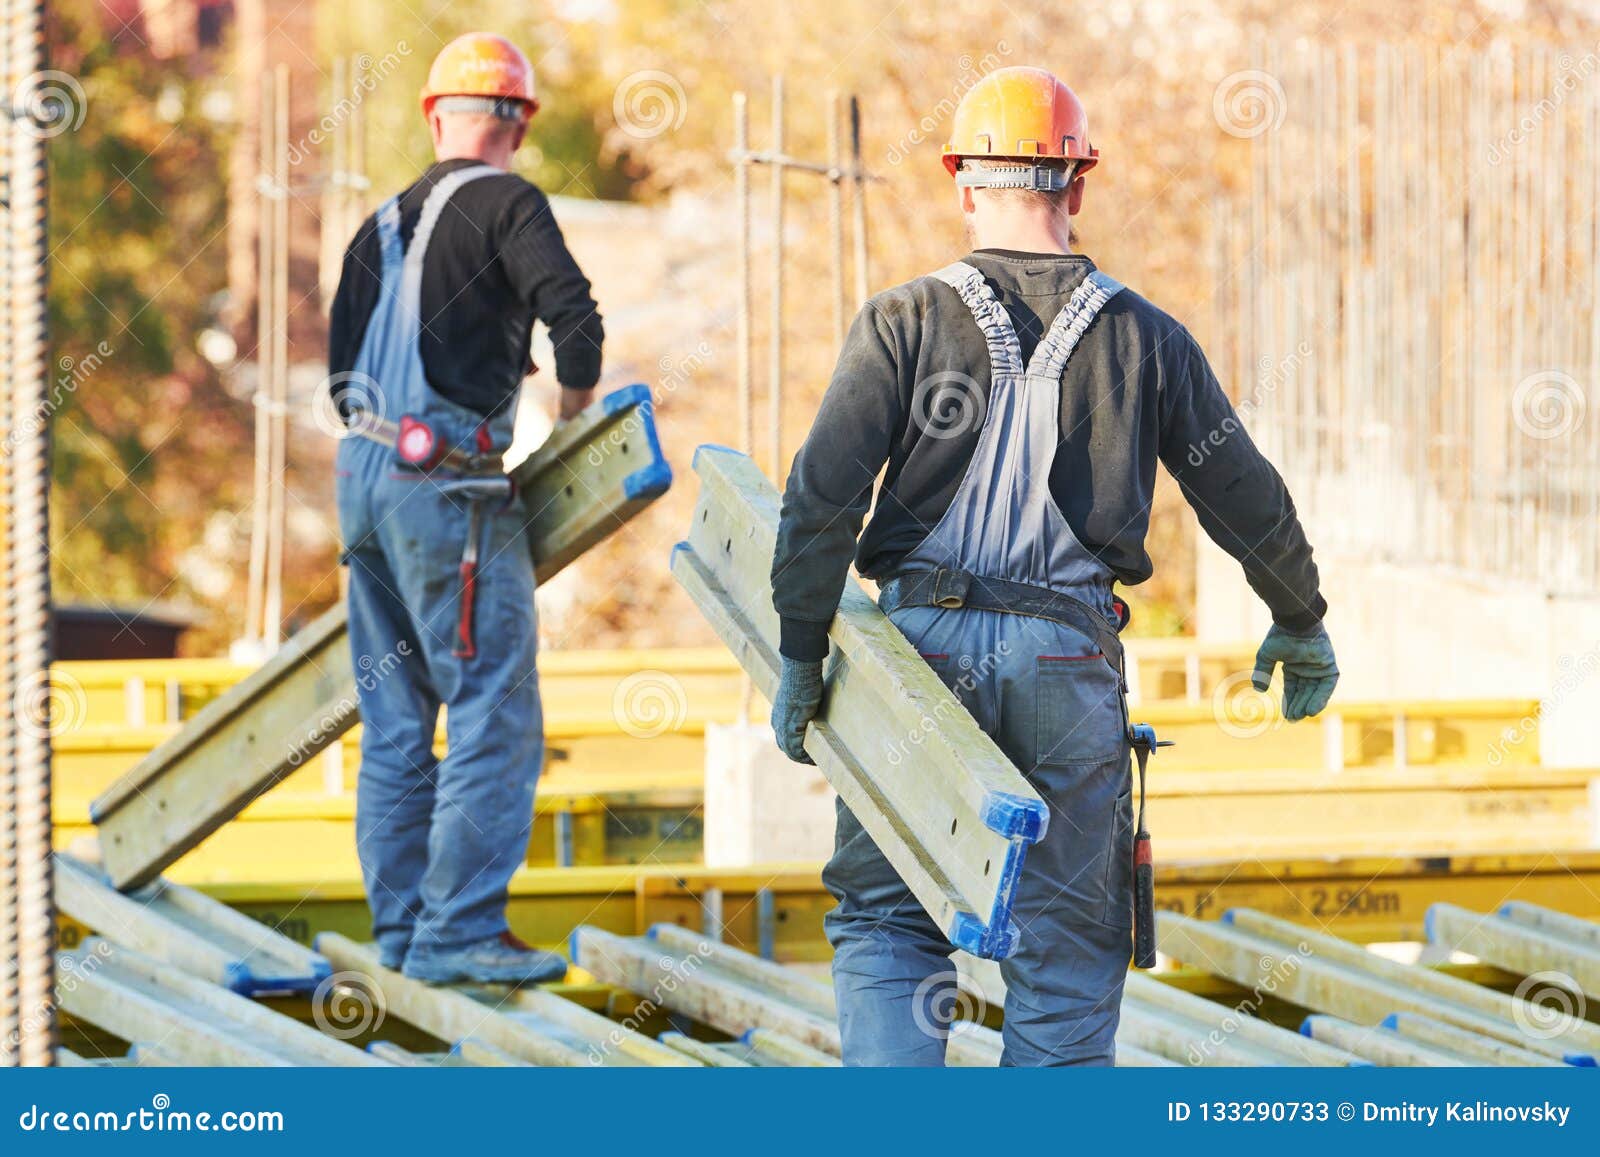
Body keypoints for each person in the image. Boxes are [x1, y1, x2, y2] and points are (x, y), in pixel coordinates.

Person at [767, 66, 1338, 1065]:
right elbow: (1242, 492)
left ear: (962, 185)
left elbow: (820, 500)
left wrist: (803, 651)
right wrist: (1298, 612)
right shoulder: (1147, 339)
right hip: (1065, 667)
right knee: (1066, 956)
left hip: (918, 659)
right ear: (1076, 188)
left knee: (889, 913)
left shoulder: (900, 321)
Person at [326, 32, 604, 984]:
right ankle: (462, 933)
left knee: (397, 713)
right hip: (444, 489)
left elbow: (340, 375)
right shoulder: (509, 202)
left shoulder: (379, 223)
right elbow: (577, 322)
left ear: (435, 116)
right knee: (493, 705)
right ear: (518, 124)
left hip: (360, 480)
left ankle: (403, 936)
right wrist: (568, 421)